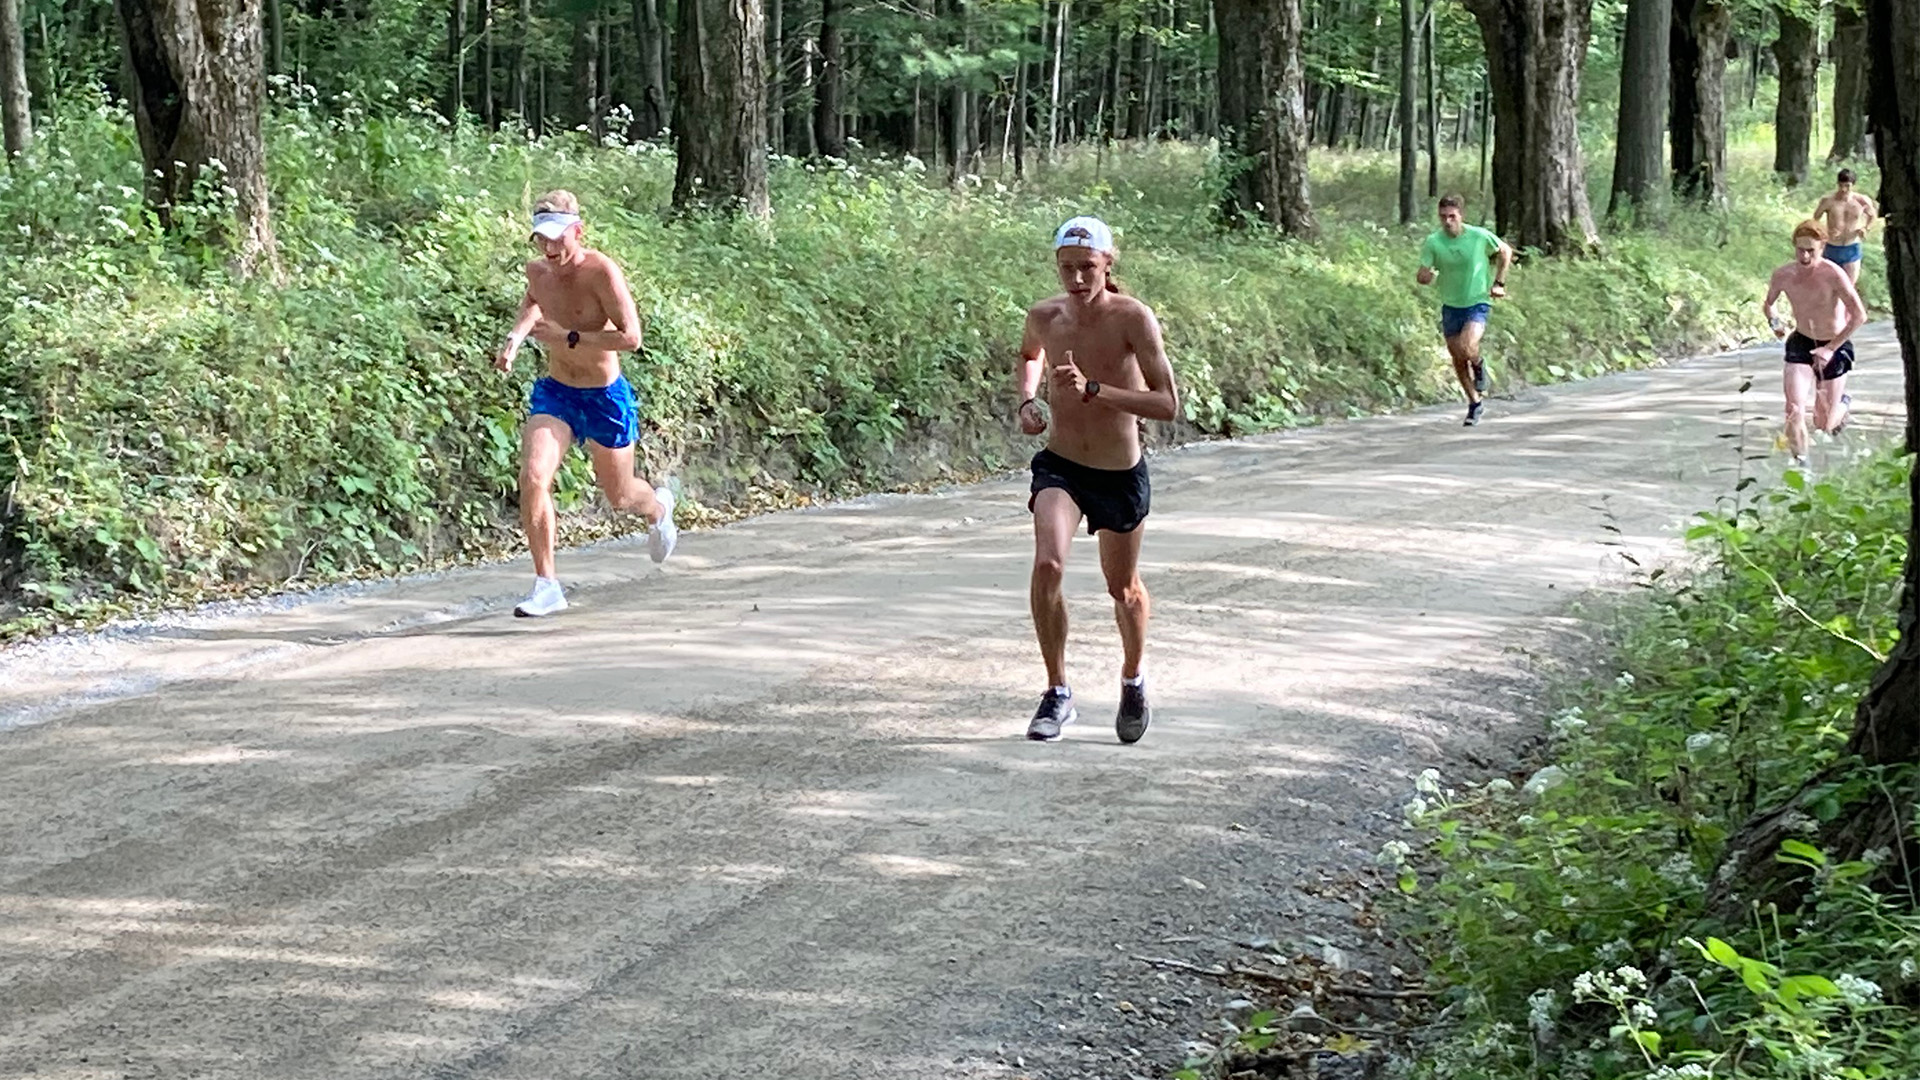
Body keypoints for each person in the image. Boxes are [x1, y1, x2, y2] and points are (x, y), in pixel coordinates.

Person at [1016, 217, 1179, 744]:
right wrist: (1028, 399)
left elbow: (1167, 404)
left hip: (1118, 472)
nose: (1078, 279)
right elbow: (1028, 356)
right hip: (1061, 464)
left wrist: (1095, 390)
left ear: (1108, 265)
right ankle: (1057, 692)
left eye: (1088, 267)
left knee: (1122, 588)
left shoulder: (1134, 318)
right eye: (1068, 268)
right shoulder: (1044, 315)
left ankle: (1133, 678)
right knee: (1048, 563)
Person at [494, 190, 678, 617]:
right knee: (534, 476)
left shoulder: (600, 271)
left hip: (603, 395)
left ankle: (658, 508)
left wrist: (569, 338)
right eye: (542, 237)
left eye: (559, 237)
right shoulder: (537, 271)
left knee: (620, 495)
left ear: (578, 230)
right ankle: (547, 586)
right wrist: (515, 339)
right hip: (557, 391)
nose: (550, 247)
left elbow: (632, 337)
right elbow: (533, 304)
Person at [1763, 219, 1868, 469]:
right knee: (1793, 408)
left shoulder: (1833, 274)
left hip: (1834, 343)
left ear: (1822, 248)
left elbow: (1859, 315)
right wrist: (1775, 322)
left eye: (1811, 250)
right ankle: (1802, 466)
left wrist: (1830, 348)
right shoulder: (1783, 274)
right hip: (1801, 341)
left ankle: (1842, 404)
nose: (1806, 255)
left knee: (1824, 424)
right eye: (1801, 249)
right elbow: (1769, 303)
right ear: (1794, 248)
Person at [1415, 194, 1513, 427]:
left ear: (1461, 216)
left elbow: (1505, 251)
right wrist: (1425, 276)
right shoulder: (1434, 242)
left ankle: (1479, 365)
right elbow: (1422, 274)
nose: (1448, 221)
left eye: (1452, 216)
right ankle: (1474, 402)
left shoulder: (1478, 236)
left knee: (1468, 346)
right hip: (1451, 304)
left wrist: (1499, 283)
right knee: (1457, 357)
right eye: (1443, 217)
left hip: (1477, 300)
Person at [1812, 168, 1878, 283]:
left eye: (1847, 186)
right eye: (1840, 185)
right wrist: (1825, 231)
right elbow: (1815, 220)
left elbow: (1872, 216)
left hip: (1852, 246)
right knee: (1829, 285)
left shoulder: (1862, 201)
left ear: (1853, 185)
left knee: (1848, 286)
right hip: (1832, 246)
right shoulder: (1828, 201)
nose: (1843, 189)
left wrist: (1865, 228)